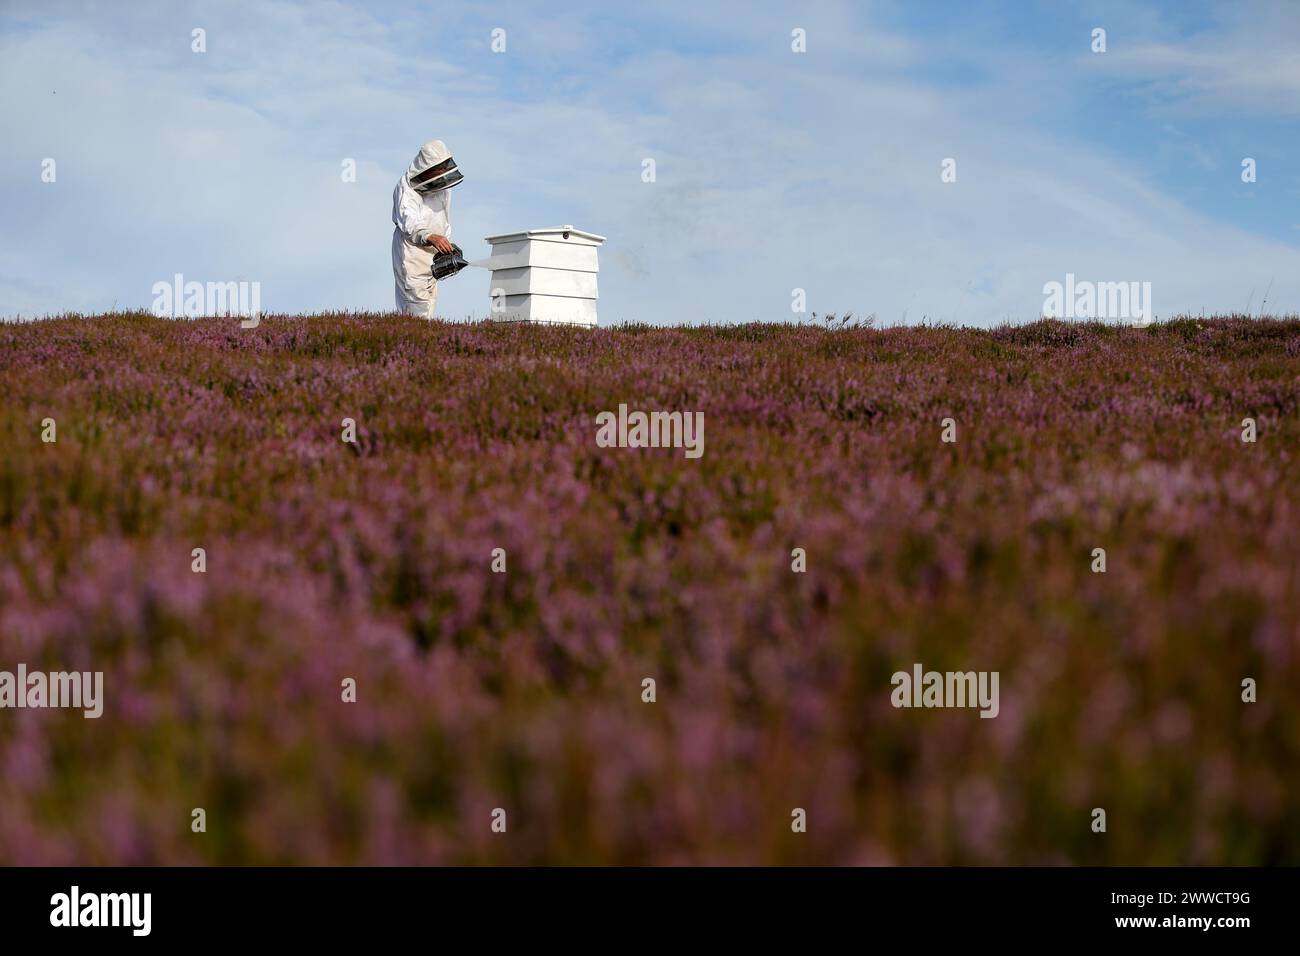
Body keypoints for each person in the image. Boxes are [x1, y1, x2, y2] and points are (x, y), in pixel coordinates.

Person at [391, 139, 463, 317]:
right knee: (415, 304)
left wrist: (447, 242)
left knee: (430, 303)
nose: (441, 173)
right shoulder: (405, 187)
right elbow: (409, 221)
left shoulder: (443, 186)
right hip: (411, 253)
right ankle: (409, 342)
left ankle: (423, 343)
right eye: (437, 169)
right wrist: (430, 235)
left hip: (433, 251)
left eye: (443, 168)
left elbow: (443, 218)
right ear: (426, 168)